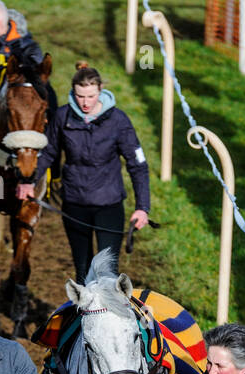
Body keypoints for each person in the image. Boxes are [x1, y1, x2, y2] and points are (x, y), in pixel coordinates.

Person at [17, 63, 150, 284]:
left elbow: (138, 165)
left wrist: (142, 207)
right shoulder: (62, 117)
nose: (85, 102)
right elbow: (48, 154)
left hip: (109, 205)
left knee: (107, 273)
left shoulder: (118, 121)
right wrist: (28, 182)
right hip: (75, 204)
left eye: (90, 96)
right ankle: (83, 317)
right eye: (80, 96)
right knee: (83, 271)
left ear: (100, 91)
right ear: (73, 92)